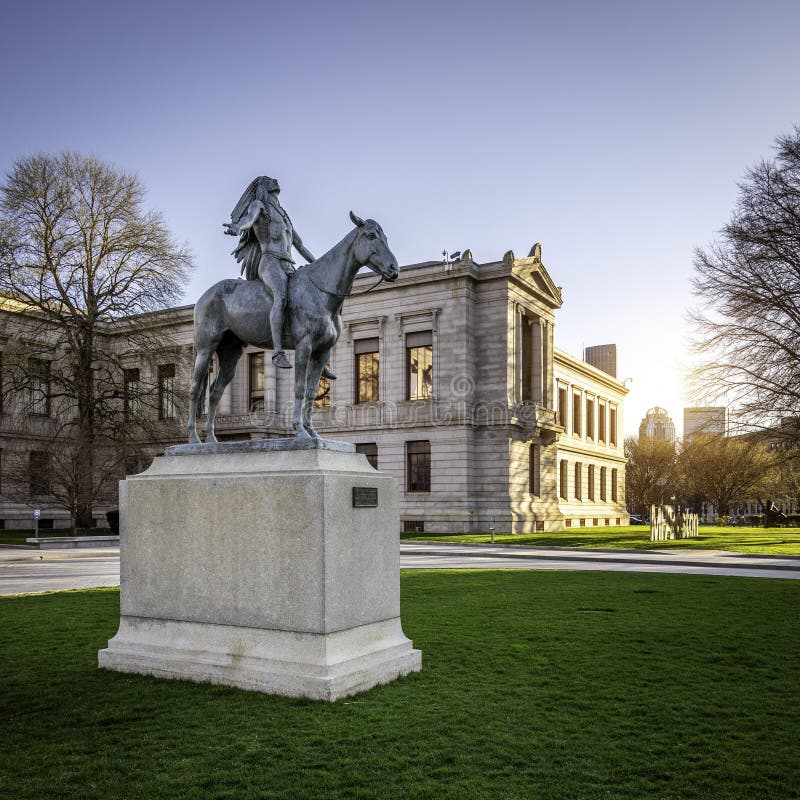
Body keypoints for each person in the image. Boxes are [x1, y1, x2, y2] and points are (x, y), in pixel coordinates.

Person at [224, 176, 335, 378]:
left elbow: (299, 245)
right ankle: (277, 352)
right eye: (269, 182)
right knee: (281, 296)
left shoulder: (284, 215)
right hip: (269, 263)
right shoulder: (259, 206)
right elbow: (248, 221)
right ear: (263, 188)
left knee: (306, 300)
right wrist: (237, 227)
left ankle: (316, 355)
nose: (274, 182)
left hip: (288, 264)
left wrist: (320, 265)